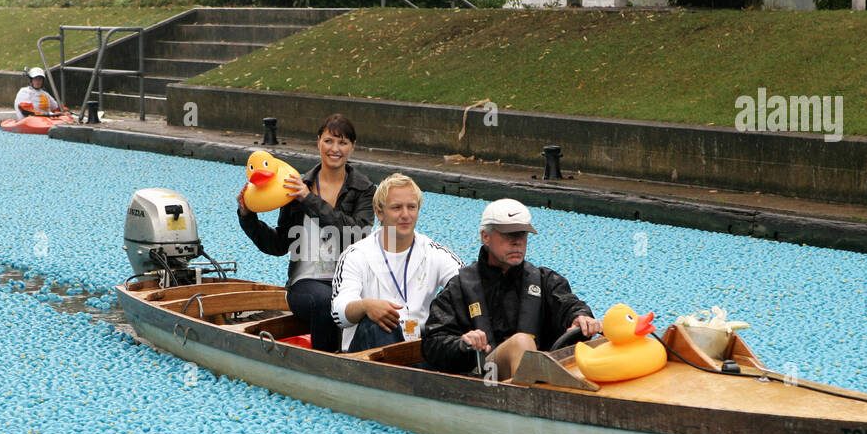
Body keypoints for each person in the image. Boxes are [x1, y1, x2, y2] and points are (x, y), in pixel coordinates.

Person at [237, 114, 375, 353]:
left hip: (349, 281)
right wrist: (248, 217)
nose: (335, 149)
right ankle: (326, 362)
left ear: (352, 147)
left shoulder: (363, 189)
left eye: (343, 143)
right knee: (325, 301)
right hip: (306, 284)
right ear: (318, 141)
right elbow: (279, 245)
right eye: (329, 141)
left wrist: (309, 200)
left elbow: (356, 236)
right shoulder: (293, 186)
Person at [422, 198, 602, 380]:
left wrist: (581, 317)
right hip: (484, 379)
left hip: (541, 376)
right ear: (485, 236)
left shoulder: (545, 281)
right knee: (521, 342)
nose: (517, 242)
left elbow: (569, 305)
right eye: (508, 235)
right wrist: (462, 344)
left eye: (522, 235)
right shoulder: (458, 288)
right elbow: (432, 343)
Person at [331, 174, 463, 352]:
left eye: (411, 207)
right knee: (379, 324)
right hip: (368, 349)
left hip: (418, 345)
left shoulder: (434, 252)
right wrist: (366, 306)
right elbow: (338, 313)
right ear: (379, 212)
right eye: (396, 208)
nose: (406, 215)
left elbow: (468, 286)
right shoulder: (356, 255)